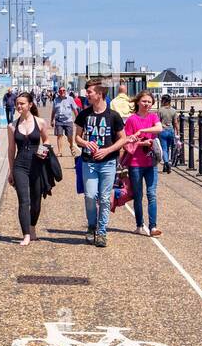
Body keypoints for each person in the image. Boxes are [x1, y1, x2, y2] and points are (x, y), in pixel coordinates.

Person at [74, 78, 126, 247]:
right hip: (88, 161)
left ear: (100, 93)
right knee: (90, 196)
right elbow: (77, 137)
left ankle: (102, 232)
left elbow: (123, 139)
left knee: (104, 199)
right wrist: (85, 143)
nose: (86, 94)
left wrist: (108, 150)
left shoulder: (113, 116)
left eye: (89, 92)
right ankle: (91, 225)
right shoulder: (84, 114)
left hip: (108, 163)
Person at [7, 91, 51, 245]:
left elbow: (46, 140)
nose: (19, 106)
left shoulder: (40, 122)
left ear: (30, 105)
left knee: (36, 202)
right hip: (20, 166)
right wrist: (11, 171)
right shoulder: (12, 126)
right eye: (17, 103)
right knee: (24, 201)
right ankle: (26, 234)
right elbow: (11, 149)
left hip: (36, 165)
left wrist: (42, 152)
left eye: (22, 103)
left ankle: (32, 227)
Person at [124, 90, 163, 236]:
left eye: (149, 102)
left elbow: (159, 128)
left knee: (152, 194)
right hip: (135, 163)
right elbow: (126, 141)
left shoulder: (153, 116)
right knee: (138, 195)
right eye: (144, 101)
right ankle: (139, 225)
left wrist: (142, 131)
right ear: (138, 102)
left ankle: (153, 227)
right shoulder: (131, 119)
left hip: (151, 162)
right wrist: (142, 143)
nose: (147, 104)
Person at [52, 89, 76, 157]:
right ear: (58, 92)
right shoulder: (56, 100)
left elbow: (74, 109)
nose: (62, 92)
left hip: (68, 121)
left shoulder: (70, 99)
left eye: (63, 90)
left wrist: (78, 119)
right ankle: (60, 152)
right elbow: (53, 111)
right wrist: (52, 120)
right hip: (58, 120)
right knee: (59, 135)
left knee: (69, 136)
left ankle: (71, 147)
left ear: (65, 91)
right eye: (60, 91)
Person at [157, 94, 177, 173]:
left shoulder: (160, 110)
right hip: (171, 130)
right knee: (168, 148)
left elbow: (157, 121)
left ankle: (166, 163)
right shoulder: (173, 110)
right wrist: (177, 131)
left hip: (163, 130)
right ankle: (166, 165)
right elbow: (175, 122)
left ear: (164, 101)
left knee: (164, 149)